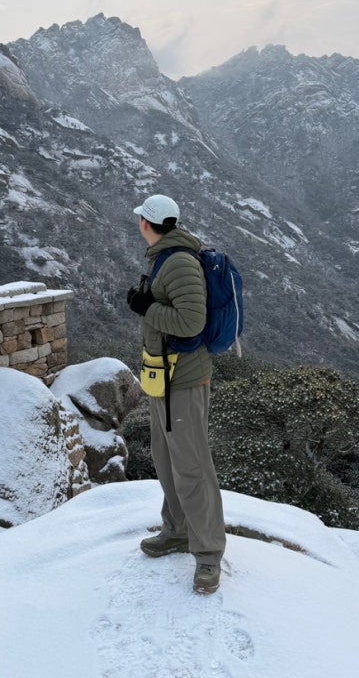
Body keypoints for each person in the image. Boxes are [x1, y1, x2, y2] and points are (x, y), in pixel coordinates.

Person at [126, 193, 226, 594]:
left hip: (184, 380)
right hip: (161, 377)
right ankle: (177, 530)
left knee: (192, 466)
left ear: (147, 224)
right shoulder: (163, 257)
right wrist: (148, 305)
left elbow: (190, 322)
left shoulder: (180, 261)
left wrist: (145, 308)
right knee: (166, 458)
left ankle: (208, 554)